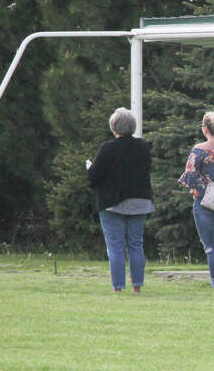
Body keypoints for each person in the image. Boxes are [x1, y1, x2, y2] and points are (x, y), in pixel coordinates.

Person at [88, 108, 153, 293]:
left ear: (113, 126)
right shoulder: (144, 146)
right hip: (140, 201)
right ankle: (137, 287)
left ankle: (118, 288)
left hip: (112, 203)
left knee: (115, 246)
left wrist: (89, 169)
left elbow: (94, 176)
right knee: (136, 244)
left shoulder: (107, 148)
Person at [179, 111, 214, 288]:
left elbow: (190, 175)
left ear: (205, 129)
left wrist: (197, 191)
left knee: (211, 247)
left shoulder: (199, 149)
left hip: (207, 202)